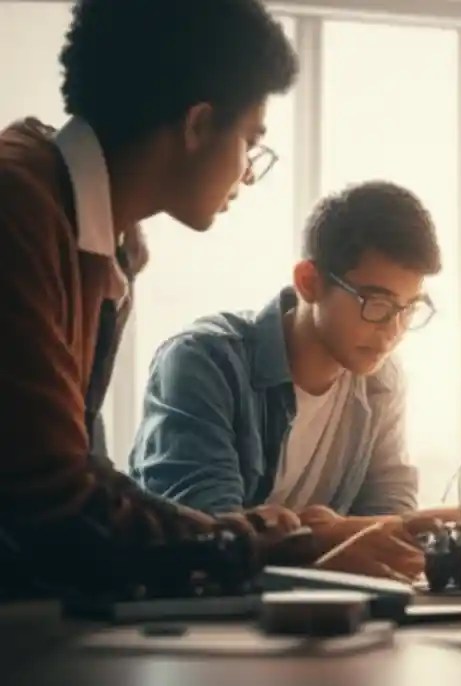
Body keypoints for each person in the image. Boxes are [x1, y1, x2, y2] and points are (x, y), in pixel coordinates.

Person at [0, 0, 299, 597]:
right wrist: (251, 545)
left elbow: (80, 466)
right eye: (250, 141)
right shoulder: (18, 207)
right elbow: (53, 503)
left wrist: (218, 530)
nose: (246, 173)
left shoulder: (108, 240)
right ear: (196, 126)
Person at [131, 182, 461, 580]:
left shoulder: (381, 381)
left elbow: (389, 527)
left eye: (408, 308)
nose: (393, 330)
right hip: (191, 615)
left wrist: (327, 530)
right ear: (309, 281)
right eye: (376, 304)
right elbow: (211, 538)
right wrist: (328, 536)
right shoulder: (204, 362)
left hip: (317, 616)